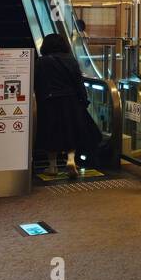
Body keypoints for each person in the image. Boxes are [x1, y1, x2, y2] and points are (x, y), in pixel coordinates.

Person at [34, 33, 98, 177]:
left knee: (50, 133)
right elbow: (78, 82)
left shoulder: (41, 62)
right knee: (71, 131)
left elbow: (36, 83)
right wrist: (84, 100)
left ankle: (52, 166)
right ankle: (70, 160)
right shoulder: (71, 60)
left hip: (49, 102)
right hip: (71, 101)